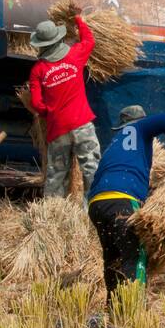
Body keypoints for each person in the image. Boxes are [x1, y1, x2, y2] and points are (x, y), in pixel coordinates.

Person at [86, 105, 165, 301]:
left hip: (97, 204)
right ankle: (133, 308)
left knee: (112, 258)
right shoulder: (139, 128)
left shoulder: (115, 143)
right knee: (134, 255)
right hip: (122, 200)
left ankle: (114, 308)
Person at [28, 15, 101, 198]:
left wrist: (50, 113)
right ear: (58, 38)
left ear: (41, 44)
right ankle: (91, 210)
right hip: (82, 124)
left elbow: (36, 103)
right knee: (91, 169)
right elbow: (89, 40)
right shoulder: (75, 55)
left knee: (56, 175)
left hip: (58, 129)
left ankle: (53, 214)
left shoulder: (38, 70)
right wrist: (79, 19)